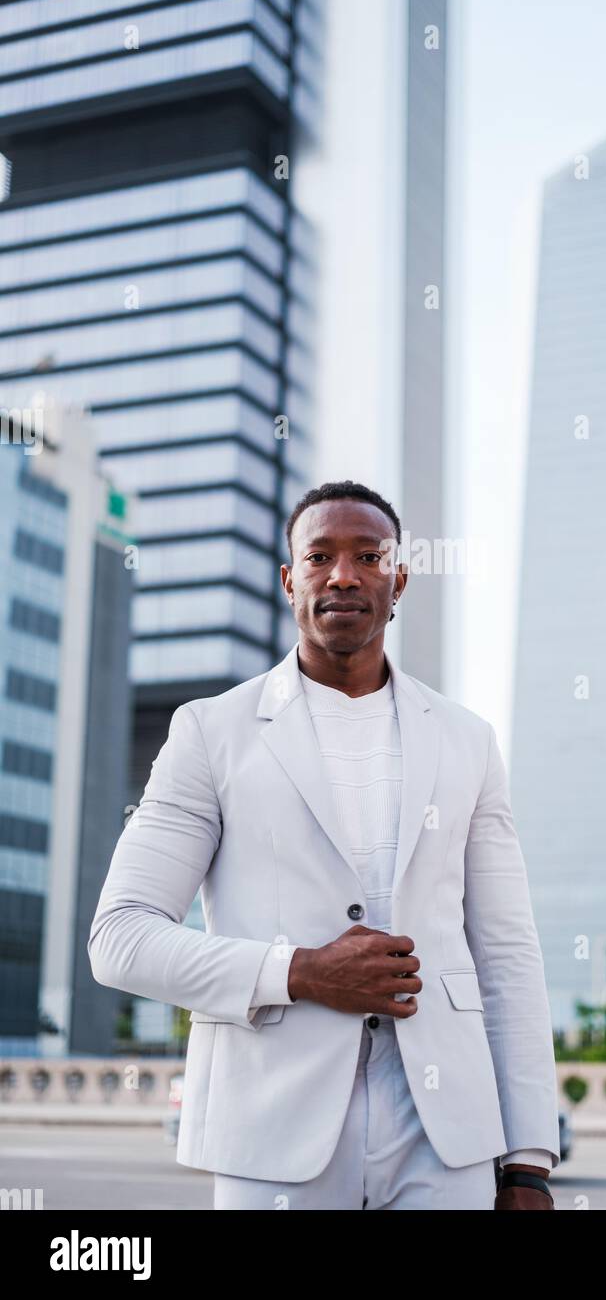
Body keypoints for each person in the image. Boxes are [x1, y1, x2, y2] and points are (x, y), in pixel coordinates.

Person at [89, 481, 560, 1210]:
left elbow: (507, 951)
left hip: (446, 1133)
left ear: (398, 579)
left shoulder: (469, 740)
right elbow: (119, 939)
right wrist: (301, 972)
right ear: (289, 579)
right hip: (272, 1127)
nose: (343, 574)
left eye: (369, 556)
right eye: (319, 556)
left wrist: (527, 1161)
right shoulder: (211, 733)